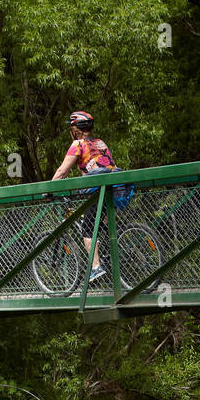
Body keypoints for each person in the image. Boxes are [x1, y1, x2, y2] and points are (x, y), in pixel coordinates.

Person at [51, 110, 116, 281]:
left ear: (76, 129)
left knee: (88, 230)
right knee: (99, 226)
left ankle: (96, 267)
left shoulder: (78, 145)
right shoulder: (101, 143)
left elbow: (62, 171)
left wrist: (48, 189)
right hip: (114, 189)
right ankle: (111, 255)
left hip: (98, 191)